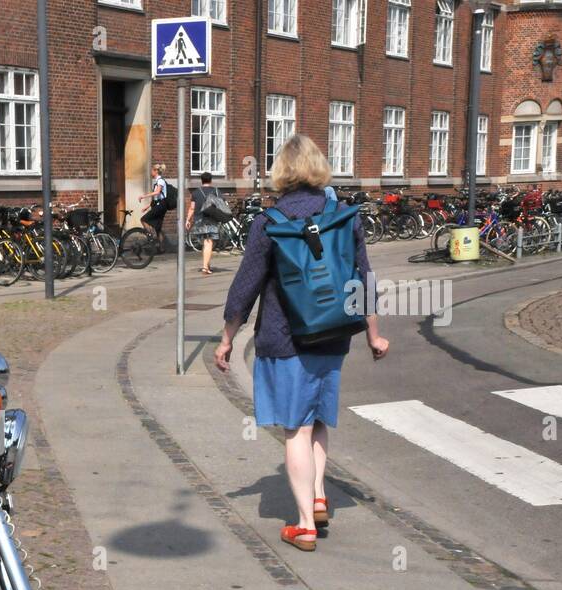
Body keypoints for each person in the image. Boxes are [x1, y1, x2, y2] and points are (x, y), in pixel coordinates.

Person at [214, 134, 389, 553]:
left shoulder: (268, 222)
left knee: (296, 429)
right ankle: (319, 496)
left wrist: (226, 338)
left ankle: (305, 525)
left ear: (281, 171)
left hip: (285, 337)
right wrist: (373, 333)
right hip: (333, 335)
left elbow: (245, 287)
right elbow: (364, 279)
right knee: (318, 419)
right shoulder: (344, 217)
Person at [185, 172, 221, 275]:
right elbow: (220, 204)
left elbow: (192, 208)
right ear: (211, 180)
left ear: (201, 180)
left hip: (199, 220)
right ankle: (205, 267)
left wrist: (188, 220)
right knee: (209, 242)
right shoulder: (216, 191)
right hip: (211, 220)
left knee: (206, 243)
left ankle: (207, 264)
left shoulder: (196, 192)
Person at [138, 164, 172, 251]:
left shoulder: (160, 181)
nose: (151, 172)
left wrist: (143, 196)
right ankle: (161, 248)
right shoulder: (157, 181)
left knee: (143, 219)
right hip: (160, 205)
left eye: (152, 170)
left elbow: (157, 192)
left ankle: (152, 237)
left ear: (156, 171)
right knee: (158, 229)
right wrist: (147, 207)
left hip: (161, 205)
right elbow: (156, 199)